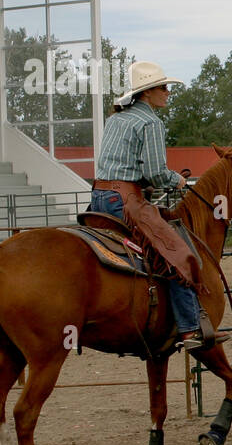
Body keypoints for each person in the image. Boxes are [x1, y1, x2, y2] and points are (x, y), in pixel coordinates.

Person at [89, 61, 224, 351]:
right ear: (147, 92)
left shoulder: (116, 119)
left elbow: (118, 165)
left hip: (99, 198)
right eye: (164, 87)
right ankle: (189, 329)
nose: (168, 92)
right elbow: (156, 172)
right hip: (125, 201)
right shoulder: (150, 123)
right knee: (178, 253)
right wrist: (175, 180)